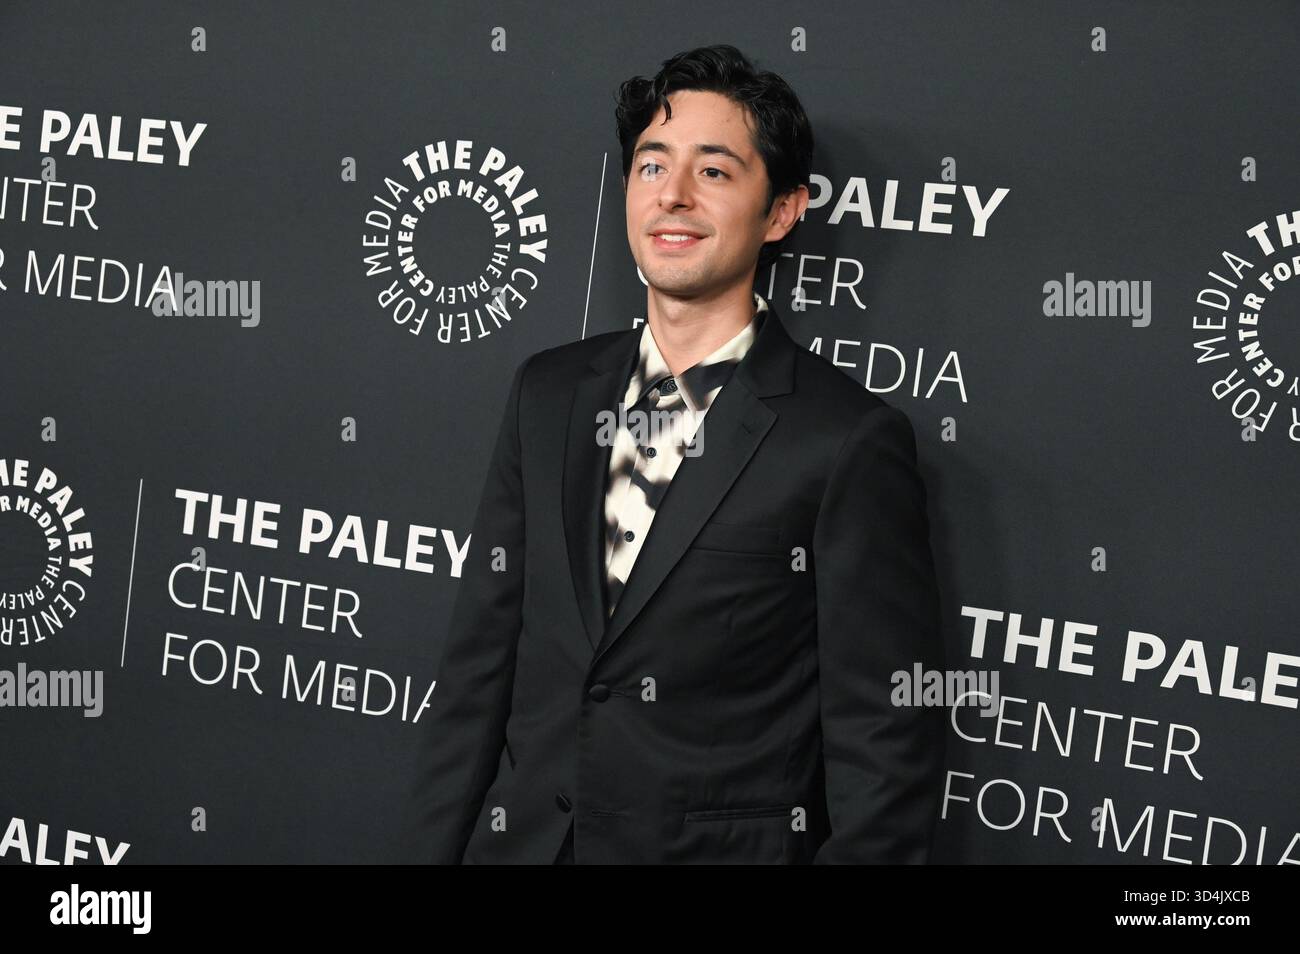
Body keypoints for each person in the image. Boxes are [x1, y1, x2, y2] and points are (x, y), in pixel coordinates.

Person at [407, 43, 946, 864]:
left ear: (783, 211)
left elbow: (885, 766)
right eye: (652, 166)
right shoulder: (547, 395)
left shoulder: (847, 443)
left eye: (716, 172)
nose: (674, 196)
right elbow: (478, 673)